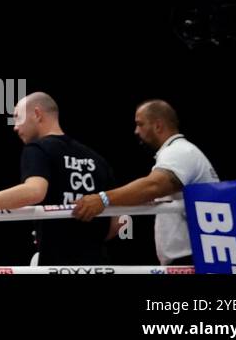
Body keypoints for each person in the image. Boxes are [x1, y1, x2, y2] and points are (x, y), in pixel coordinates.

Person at [0, 92, 117, 265]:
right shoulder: (98, 160)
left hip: (56, 267)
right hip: (99, 265)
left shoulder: (38, 149)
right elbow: (115, 224)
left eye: (18, 117)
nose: (15, 127)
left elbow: (34, 191)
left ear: (37, 114)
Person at [72, 99, 217, 266]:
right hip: (192, 256)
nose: (136, 131)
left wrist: (103, 199)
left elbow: (154, 186)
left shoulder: (179, 151)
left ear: (158, 126)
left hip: (193, 257)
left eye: (140, 124)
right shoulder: (179, 151)